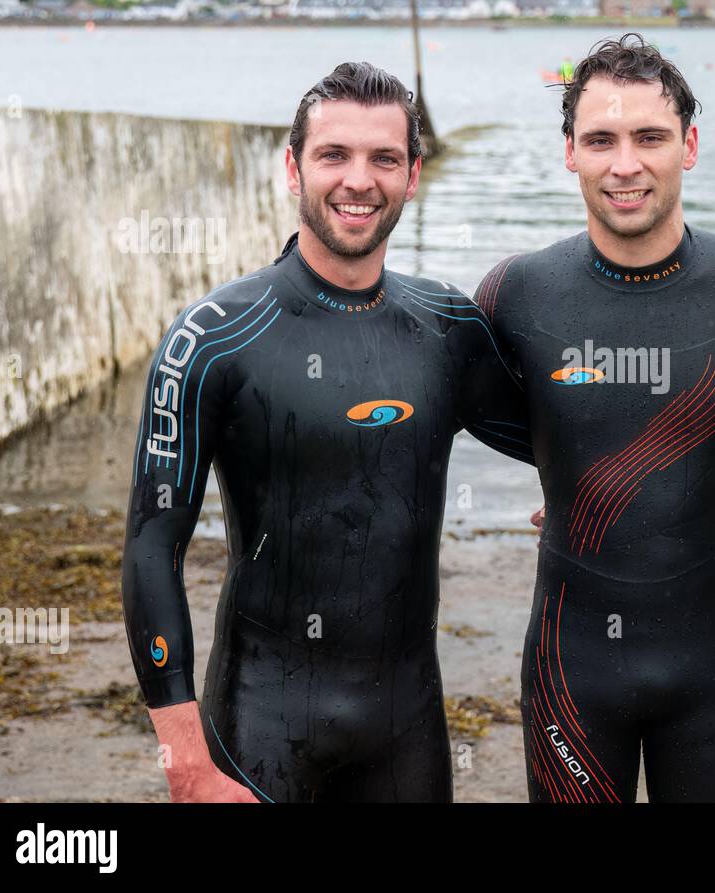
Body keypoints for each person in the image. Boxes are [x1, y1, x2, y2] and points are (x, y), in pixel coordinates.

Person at [121, 62, 533, 803]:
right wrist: (185, 759)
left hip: (408, 733)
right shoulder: (213, 338)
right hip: (260, 727)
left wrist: (573, 498)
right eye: (333, 155)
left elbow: (569, 439)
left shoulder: (448, 329)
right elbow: (153, 547)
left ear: (412, 176)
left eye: (384, 158)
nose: (358, 179)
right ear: (292, 167)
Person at [476, 34, 715, 802]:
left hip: (710, 671)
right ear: (570, 153)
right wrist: (580, 478)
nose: (626, 164)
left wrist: (707, 504)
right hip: (570, 670)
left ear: (689, 145)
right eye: (601, 140)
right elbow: (472, 409)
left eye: (649, 137)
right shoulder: (517, 294)